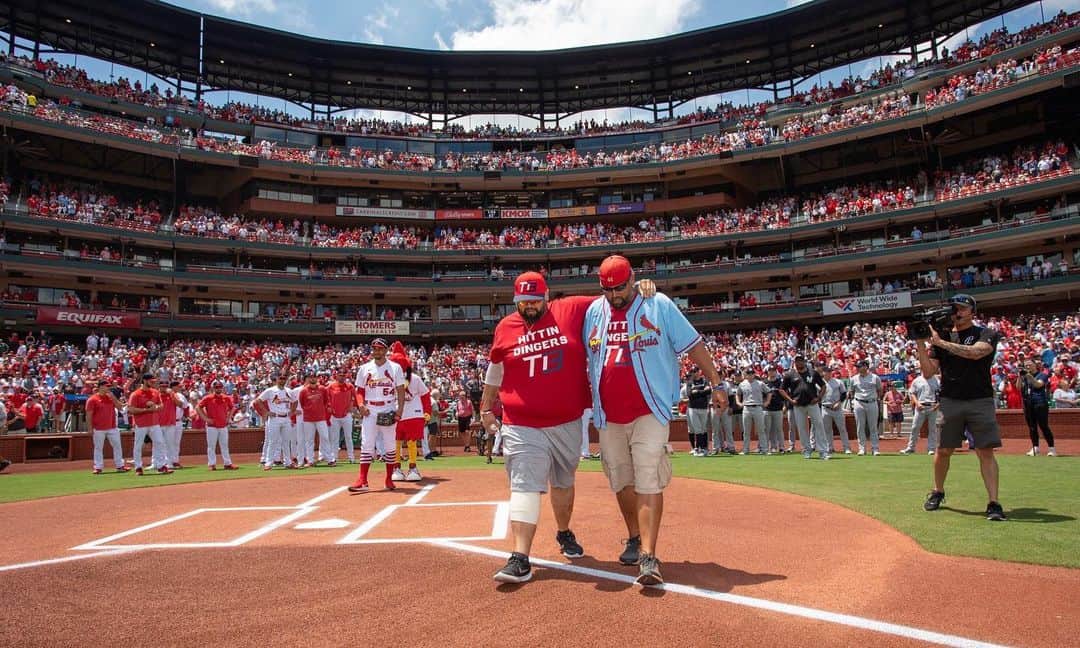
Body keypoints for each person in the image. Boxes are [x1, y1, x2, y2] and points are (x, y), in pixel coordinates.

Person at [583, 255, 724, 587]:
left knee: (648, 478)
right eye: (608, 290)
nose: (615, 295)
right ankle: (634, 536)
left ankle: (649, 555)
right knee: (620, 480)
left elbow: (694, 345)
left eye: (620, 287)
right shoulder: (593, 312)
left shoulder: (657, 304)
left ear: (633, 279)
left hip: (650, 410)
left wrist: (716, 383)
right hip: (608, 415)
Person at [480, 271, 606, 584]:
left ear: (547, 297)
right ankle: (520, 557)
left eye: (536, 300)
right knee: (524, 483)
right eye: (524, 302)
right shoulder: (505, 327)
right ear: (516, 301)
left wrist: (641, 291)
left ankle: (563, 532)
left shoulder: (571, 309)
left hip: (566, 421)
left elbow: (612, 301)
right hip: (522, 423)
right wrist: (485, 407)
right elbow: (495, 371)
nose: (530, 306)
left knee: (563, 483)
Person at [916, 294, 1007, 521]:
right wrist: (920, 342)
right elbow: (928, 372)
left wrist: (939, 342)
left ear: (972, 312)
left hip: (980, 399)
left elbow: (976, 353)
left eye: (962, 308)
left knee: (985, 451)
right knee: (943, 450)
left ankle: (994, 503)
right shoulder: (943, 336)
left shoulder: (986, 333)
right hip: (950, 400)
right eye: (955, 308)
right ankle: (938, 491)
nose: (957, 311)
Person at [348, 338, 406, 493]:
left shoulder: (395, 368)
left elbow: (400, 390)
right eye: (374, 348)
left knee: (389, 446)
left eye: (380, 348)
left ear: (386, 350)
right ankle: (362, 480)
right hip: (370, 409)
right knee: (367, 444)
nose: (377, 351)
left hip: (388, 407)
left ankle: (388, 478)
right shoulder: (365, 368)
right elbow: (359, 390)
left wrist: (399, 410)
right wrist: (360, 405)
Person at [390, 342, 429, 481]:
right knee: (396, 442)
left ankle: (413, 467)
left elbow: (425, 395)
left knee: (412, 441)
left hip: (413, 413)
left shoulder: (416, 379)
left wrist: (427, 411)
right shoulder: (390, 381)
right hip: (396, 414)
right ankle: (397, 468)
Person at [779, 355, 829, 460]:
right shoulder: (790, 374)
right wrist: (790, 400)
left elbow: (823, 386)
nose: (799, 363)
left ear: (804, 362)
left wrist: (819, 398)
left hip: (812, 404)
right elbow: (782, 390)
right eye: (797, 361)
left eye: (801, 361)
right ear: (795, 362)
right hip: (798, 405)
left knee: (819, 426)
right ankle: (806, 450)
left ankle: (823, 451)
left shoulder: (813, 372)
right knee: (802, 429)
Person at [128, 374, 171, 475]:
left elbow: (161, 406)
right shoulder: (136, 394)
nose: (153, 382)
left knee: (160, 443)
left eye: (153, 381)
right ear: (145, 381)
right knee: (138, 446)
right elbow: (131, 409)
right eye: (151, 381)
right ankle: (138, 467)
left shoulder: (155, 392)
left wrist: (155, 407)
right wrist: (146, 410)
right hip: (141, 424)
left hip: (154, 423)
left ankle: (161, 466)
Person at [255, 372, 298, 470]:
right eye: (280, 378)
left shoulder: (289, 391)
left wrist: (292, 411)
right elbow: (258, 400)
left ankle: (288, 462)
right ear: (277, 379)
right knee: (272, 441)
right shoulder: (270, 391)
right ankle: (268, 463)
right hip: (275, 418)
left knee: (286, 441)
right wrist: (266, 412)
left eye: (284, 378)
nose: (282, 380)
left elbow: (295, 401)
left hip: (286, 417)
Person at [85, 380, 129, 474]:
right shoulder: (92, 399)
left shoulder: (110, 397)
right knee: (98, 448)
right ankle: (98, 467)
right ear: (100, 387)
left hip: (112, 426)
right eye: (106, 386)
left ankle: (120, 466)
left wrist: (113, 397)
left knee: (117, 446)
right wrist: (89, 428)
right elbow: (89, 415)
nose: (108, 388)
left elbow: (120, 408)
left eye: (109, 386)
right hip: (98, 428)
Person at [196, 380, 238, 470]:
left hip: (223, 425)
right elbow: (198, 407)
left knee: (224, 445)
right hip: (212, 426)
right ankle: (212, 464)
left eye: (220, 387)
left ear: (222, 388)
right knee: (211, 446)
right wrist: (205, 418)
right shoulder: (208, 398)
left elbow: (232, 407)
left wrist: (228, 418)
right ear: (213, 388)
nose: (218, 389)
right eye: (216, 387)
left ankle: (227, 463)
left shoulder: (226, 398)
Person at [1018, 359, 1055, 456]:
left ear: (1035, 365)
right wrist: (1020, 377)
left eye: (1029, 364)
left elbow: (1038, 385)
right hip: (1028, 404)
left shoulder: (1042, 375)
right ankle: (1035, 448)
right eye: (1026, 365)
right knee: (1032, 427)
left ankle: (1052, 449)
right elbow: (1018, 387)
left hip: (1040, 403)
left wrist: (1029, 376)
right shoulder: (1025, 376)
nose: (1028, 366)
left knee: (1043, 426)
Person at [848, 359, 883, 455]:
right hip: (859, 402)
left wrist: (877, 399)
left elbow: (880, 390)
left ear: (866, 367)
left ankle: (875, 448)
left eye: (859, 366)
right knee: (860, 426)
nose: (858, 368)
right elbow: (851, 391)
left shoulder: (875, 378)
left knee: (873, 427)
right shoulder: (854, 378)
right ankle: (862, 448)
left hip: (872, 402)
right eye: (857, 367)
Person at [297, 372, 333, 467]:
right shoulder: (303, 391)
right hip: (308, 419)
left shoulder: (322, 389)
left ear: (317, 378)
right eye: (310, 377)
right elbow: (302, 403)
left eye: (314, 377)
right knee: (309, 440)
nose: (312, 379)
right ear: (308, 379)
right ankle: (310, 460)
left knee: (325, 437)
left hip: (321, 418)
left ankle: (330, 459)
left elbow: (326, 401)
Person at [903, 372, 941, 454]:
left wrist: (938, 404)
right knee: (915, 427)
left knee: (932, 428)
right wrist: (917, 403)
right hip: (920, 406)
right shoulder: (917, 380)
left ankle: (931, 448)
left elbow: (942, 393)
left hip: (933, 406)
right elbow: (912, 393)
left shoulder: (936, 380)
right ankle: (911, 447)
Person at [327, 369, 359, 463]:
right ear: (336, 376)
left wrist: (354, 408)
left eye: (343, 375)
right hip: (334, 415)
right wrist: (329, 407)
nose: (342, 377)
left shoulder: (349, 386)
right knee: (334, 437)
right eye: (340, 375)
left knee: (348, 437)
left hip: (346, 415)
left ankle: (351, 457)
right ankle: (334, 458)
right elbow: (326, 399)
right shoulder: (331, 386)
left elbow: (356, 398)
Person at [736, 367, 769, 454]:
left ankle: (764, 449)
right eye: (748, 374)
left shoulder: (760, 383)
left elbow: (769, 392)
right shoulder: (742, 384)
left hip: (758, 407)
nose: (750, 375)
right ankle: (745, 450)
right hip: (746, 407)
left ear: (754, 374)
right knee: (746, 431)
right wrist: (738, 403)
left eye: (752, 374)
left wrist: (767, 402)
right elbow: (738, 394)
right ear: (746, 375)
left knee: (761, 429)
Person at [819, 364, 850, 454]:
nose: (828, 373)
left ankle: (846, 448)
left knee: (842, 428)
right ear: (823, 373)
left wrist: (839, 402)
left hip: (837, 408)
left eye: (829, 371)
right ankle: (830, 447)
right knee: (827, 429)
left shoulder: (838, 382)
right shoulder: (820, 382)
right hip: (825, 407)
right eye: (826, 372)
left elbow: (843, 394)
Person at [683, 368, 712, 457]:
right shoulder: (690, 383)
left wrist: (697, 392)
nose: (693, 374)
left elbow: (709, 391)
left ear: (699, 372)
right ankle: (698, 449)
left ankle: (704, 448)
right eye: (692, 372)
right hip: (693, 408)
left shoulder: (705, 381)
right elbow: (690, 394)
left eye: (694, 372)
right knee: (698, 429)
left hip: (703, 407)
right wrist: (702, 391)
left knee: (703, 428)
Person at [763, 365, 787, 454]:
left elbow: (784, 395)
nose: (772, 372)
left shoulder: (780, 382)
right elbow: (761, 395)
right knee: (767, 429)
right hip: (767, 409)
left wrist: (785, 405)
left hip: (778, 408)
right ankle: (768, 447)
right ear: (767, 371)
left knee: (779, 429)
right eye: (770, 370)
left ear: (776, 372)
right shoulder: (764, 382)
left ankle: (781, 447)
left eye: (773, 370)